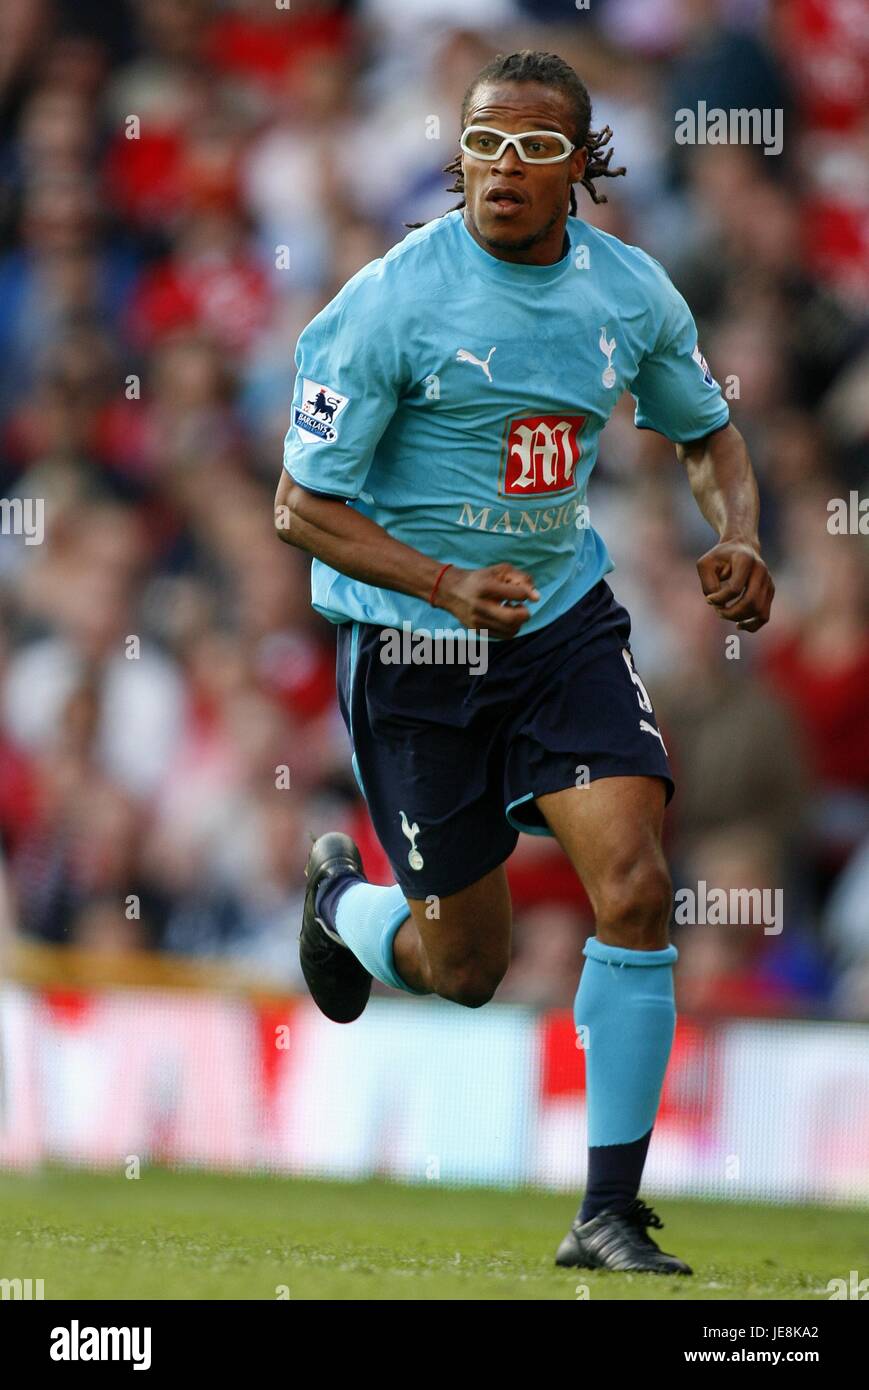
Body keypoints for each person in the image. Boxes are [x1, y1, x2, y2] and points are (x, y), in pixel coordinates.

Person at [274, 50, 773, 1274]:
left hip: (556, 625)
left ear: (580, 167)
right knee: (468, 967)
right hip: (415, 646)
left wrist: (740, 533)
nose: (506, 164)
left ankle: (607, 1210)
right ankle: (342, 907)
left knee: (639, 884)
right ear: (458, 153)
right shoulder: (388, 301)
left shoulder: (629, 294)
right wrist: (442, 583)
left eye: (537, 146)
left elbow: (704, 431)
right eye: (486, 139)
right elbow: (298, 505)